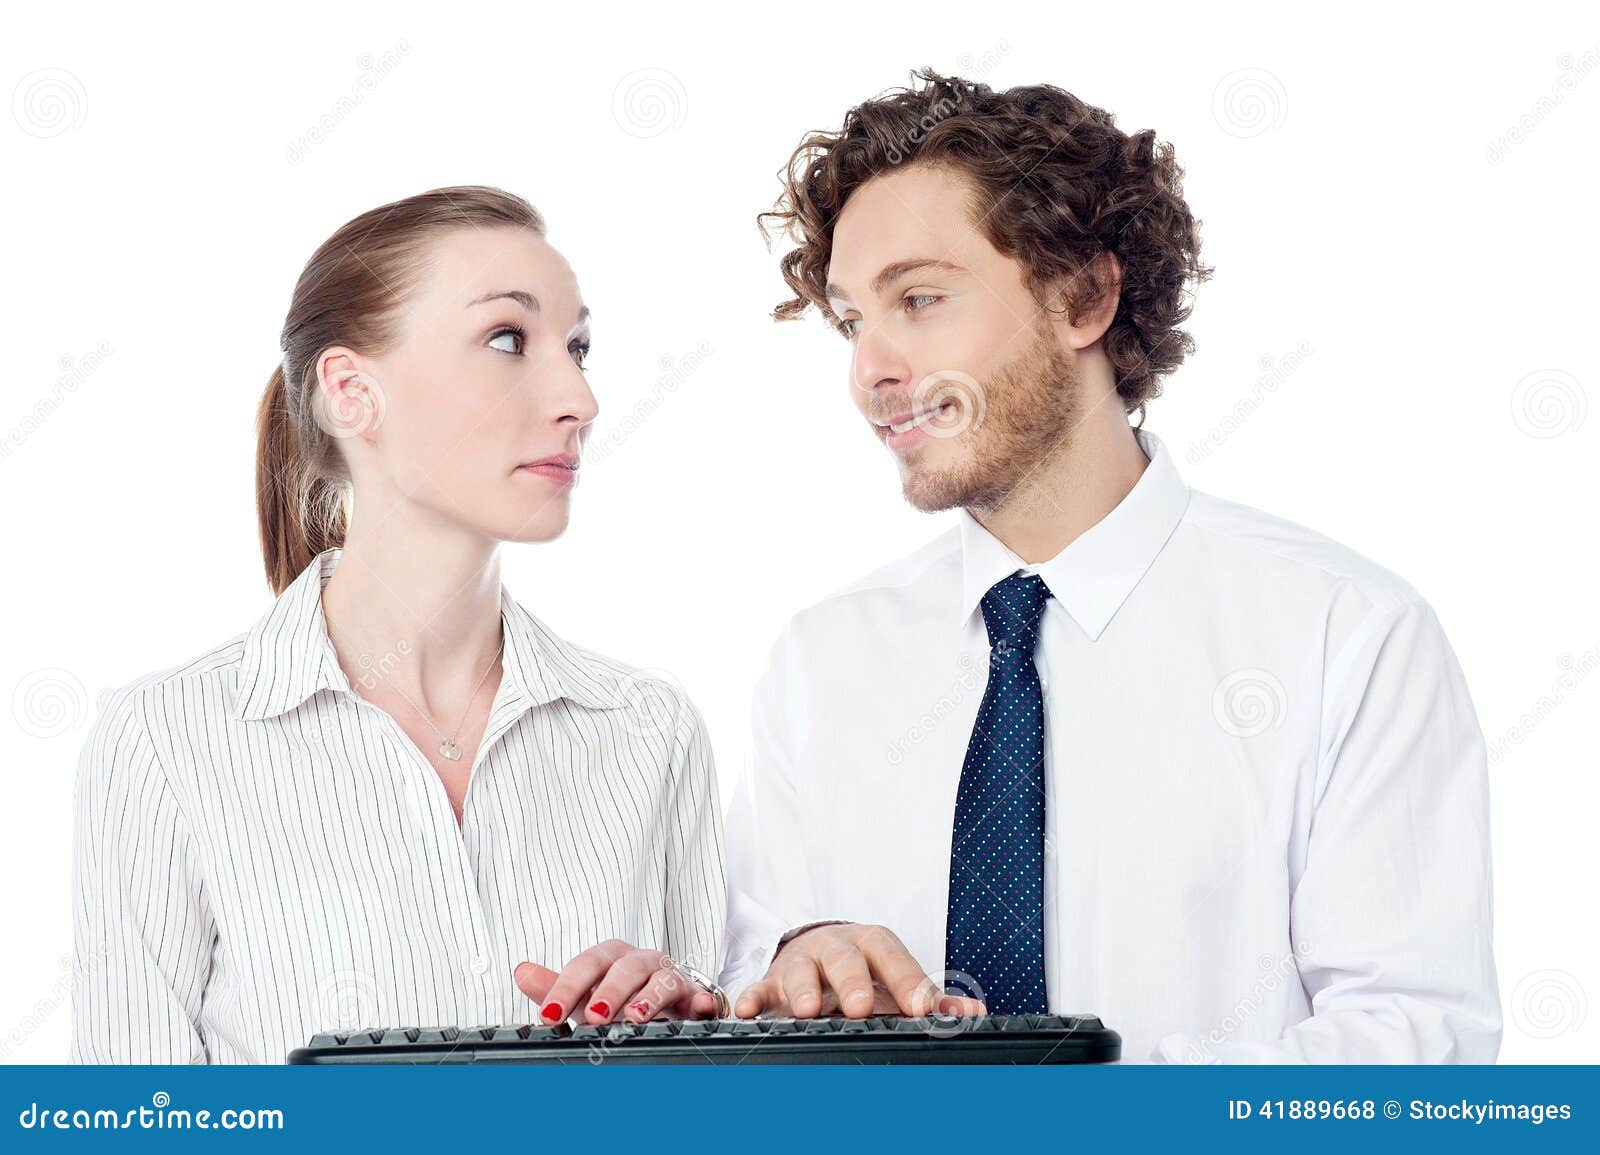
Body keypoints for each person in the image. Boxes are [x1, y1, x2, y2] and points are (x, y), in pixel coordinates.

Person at [722, 71, 1501, 1063]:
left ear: (1081, 297)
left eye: (918, 299)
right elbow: (752, 987)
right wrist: (798, 966)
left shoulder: (1342, 636)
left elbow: (1417, 1049)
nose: (869, 371)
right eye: (850, 321)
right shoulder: (819, 663)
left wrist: (1078, 1115)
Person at [71, 186, 726, 1064]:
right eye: (507, 340)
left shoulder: (652, 728)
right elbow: (133, 1124)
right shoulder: (163, 739)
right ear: (351, 392)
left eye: (578, 347)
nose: (580, 397)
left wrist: (695, 1022)